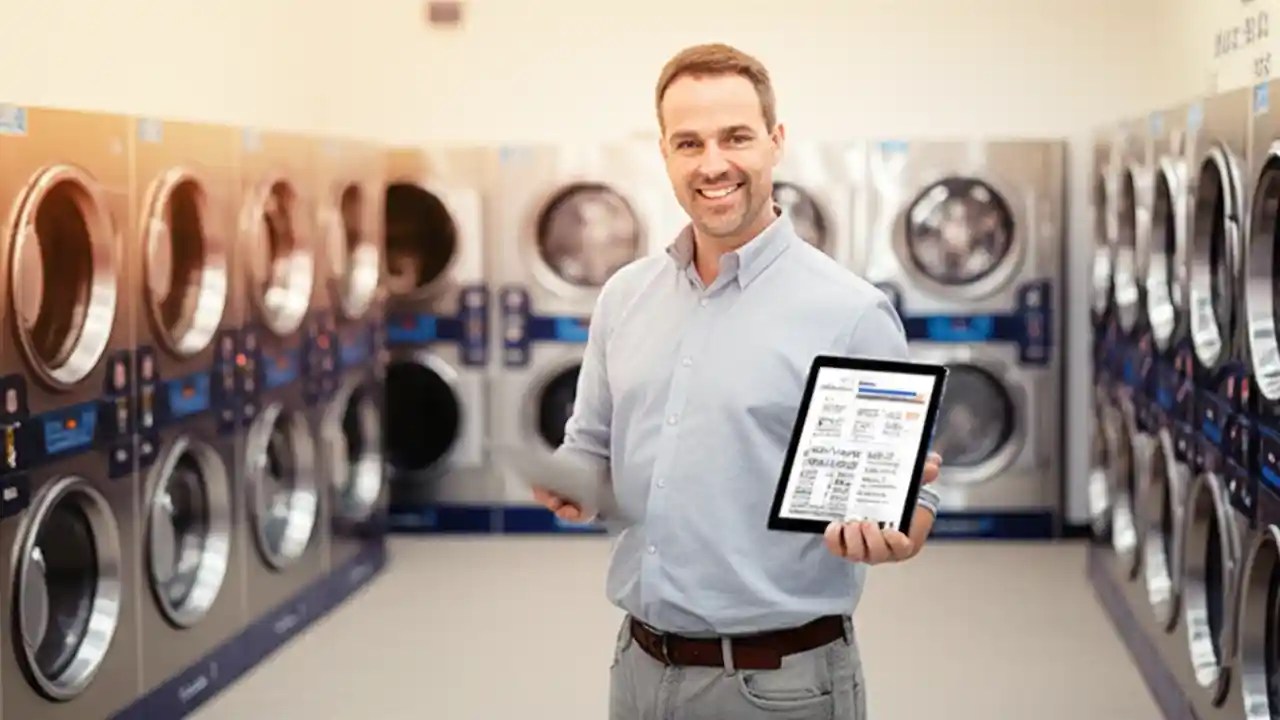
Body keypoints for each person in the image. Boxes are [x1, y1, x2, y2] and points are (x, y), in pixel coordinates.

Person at [530, 42, 945, 720]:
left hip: (780, 686)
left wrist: (900, 529)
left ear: (776, 142)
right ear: (664, 153)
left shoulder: (848, 312)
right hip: (636, 669)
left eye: (736, 138)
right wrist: (572, 478)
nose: (713, 163)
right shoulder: (624, 297)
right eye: (689, 142)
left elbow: (918, 499)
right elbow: (590, 443)